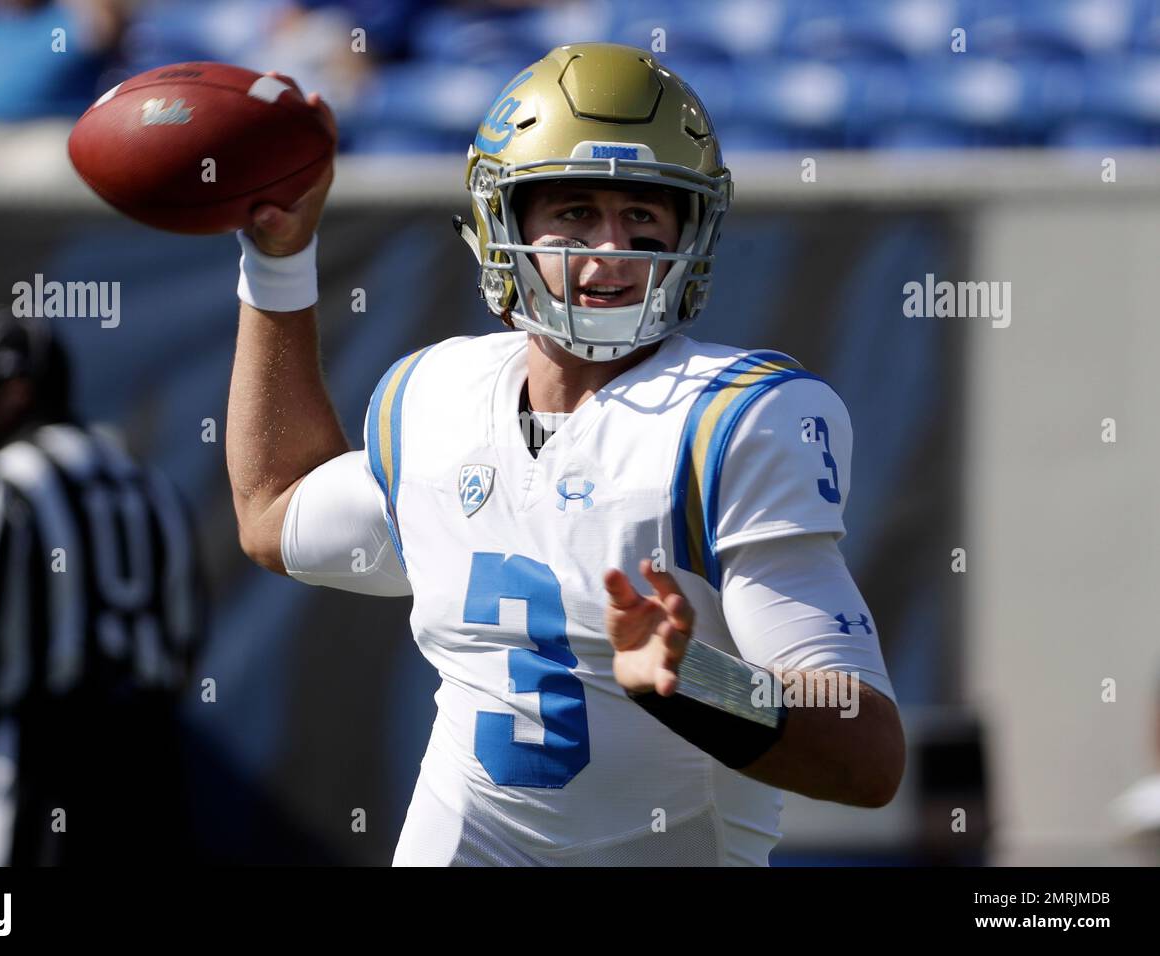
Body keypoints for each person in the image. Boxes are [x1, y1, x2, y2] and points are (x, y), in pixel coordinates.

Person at [227, 42, 905, 866]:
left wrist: (701, 683)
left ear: (693, 230)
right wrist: (278, 262)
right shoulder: (435, 396)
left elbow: (868, 755)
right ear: (499, 223)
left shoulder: (732, 421)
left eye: (645, 215)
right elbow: (273, 514)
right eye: (575, 213)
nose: (612, 249)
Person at [0, 306, 203, 865]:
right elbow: (183, 651)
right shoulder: (153, 487)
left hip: (39, 778)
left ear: (15, 393)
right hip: (153, 778)